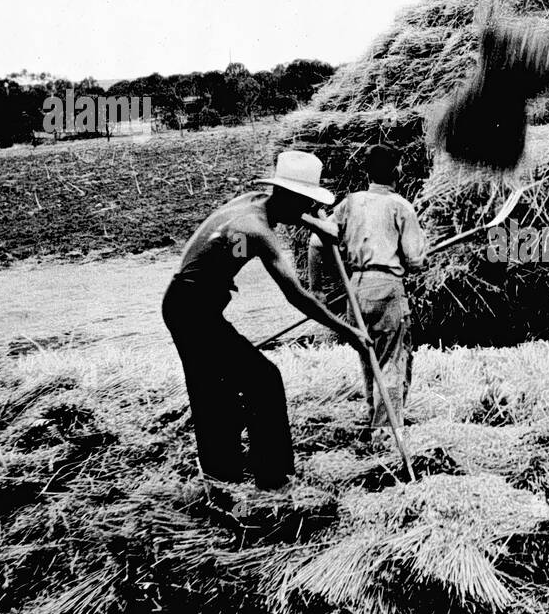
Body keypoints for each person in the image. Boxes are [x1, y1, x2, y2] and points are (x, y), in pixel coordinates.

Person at [162, 150, 370, 489]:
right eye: (303, 203)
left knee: (219, 391)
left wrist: (315, 223)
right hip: (191, 308)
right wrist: (346, 331)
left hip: (192, 303)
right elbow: (296, 295)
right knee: (263, 381)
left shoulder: (255, 203)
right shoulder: (256, 231)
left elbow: (281, 216)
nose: (305, 210)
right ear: (287, 196)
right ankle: (271, 480)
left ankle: (224, 474)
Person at [305, 144, 428, 438]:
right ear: (397, 171)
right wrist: (423, 256)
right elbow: (414, 261)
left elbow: (316, 242)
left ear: (367, 172)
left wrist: (316, 289)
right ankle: (386, 434)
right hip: (386, 289)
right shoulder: (401, 207)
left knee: (370, 359)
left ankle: (375, 419)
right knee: (392, 361)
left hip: (355, 289)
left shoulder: (350, 204)